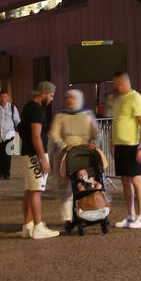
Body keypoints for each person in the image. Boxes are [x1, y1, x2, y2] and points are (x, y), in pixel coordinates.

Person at [49, 87, 101, 227]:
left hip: (83, 156)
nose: (69, 101)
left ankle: (88, 211)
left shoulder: (87, 116)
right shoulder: (60, 116)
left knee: (85, 183)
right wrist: (63, 146)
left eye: (72, 98)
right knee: (65, 187)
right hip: (65, 156)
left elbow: (96, 134)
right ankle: (68, 218)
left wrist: (93, 143)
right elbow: (55, 134)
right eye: (67, 98)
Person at [17, 81, 59, 239]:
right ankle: (38, 226)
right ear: (43, 93)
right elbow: (36, 136)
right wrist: (43, 159)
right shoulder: (38, 110)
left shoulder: (27, 107)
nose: (52, 99)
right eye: (51, 95)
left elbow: (22, 129)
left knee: (29, 190)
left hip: (27, 152)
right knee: (36, 191)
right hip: (35, 154)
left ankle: (27, 226)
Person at [110, 71, 141, 229]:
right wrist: (112, 143)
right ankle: (131, 215)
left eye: (116, 83)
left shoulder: (136, 98)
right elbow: (116, 122)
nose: (114, 86)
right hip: (120, 146)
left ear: (123, 82)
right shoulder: (119, 100)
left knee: (136, 179)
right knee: (125, 180)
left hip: (133, 146)